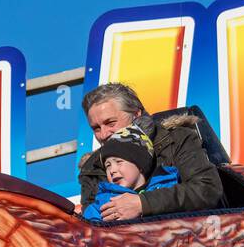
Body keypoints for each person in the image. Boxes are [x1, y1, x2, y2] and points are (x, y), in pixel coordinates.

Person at [77, 82, 225, 221]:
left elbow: (207, 190)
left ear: (136, 114)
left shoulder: (177, 140)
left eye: (110, 123)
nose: (103, 135)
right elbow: (90, 231)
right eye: (96, 128)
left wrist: (143, 204)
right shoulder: (92, 169)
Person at [81, 127, 181, 222]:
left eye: (119, 162)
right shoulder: (102, 203)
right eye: (108, 165)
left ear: (140, 164)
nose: (112, 170)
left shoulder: (166, 187)